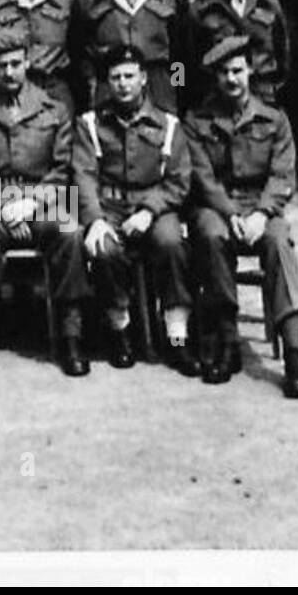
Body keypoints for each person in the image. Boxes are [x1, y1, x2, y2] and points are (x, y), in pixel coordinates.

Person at [184, 36, 298, 397]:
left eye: (238, 70)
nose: (232, 79)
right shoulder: (197, 121)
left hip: (262, 205)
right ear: (216, 77)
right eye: (224, 72)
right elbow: (202, 178)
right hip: (216, 206)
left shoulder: (274, 119)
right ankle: (227, 343)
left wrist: (260, 213)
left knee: (278, 240)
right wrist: (229, 213)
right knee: (210, 236)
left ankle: (295, 354)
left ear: (251, 71)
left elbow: (283, 176)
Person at [0, 30, 90, 378]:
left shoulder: (55, 109)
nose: (10, 72)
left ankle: (71, 335)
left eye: (16, 63)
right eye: (2, 66)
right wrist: (4, 206)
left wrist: (30, 204)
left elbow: (63, 170)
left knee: (71, 231)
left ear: (27, 63)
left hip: (44, 201)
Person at [73, 43, 199, 375]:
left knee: (172, 243)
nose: (123, 84)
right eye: (115, 77)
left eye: (130, 76)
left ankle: (177, 336)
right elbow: (83, 176)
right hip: (109, 205)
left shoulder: (168, 124)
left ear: (144, 78)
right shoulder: (90, 124)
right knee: (103, 249)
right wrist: (96, 220)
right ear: (107, 82)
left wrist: (148, 211)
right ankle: (120, 329)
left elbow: (179, 180)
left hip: (154, 205)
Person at [183, 0, 290, 106]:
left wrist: (271, 90)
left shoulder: (268, 4)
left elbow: (283, 59)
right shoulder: (199, 9)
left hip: (263, 101)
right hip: (217, 103)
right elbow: (189, 63)